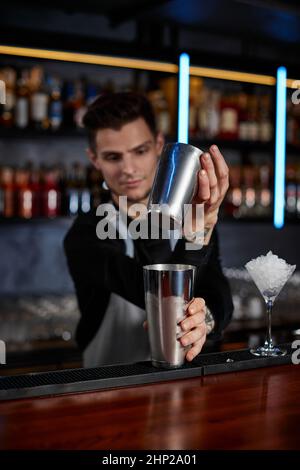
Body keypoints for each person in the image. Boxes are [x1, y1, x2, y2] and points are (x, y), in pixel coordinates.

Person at [64, 92, 233, 367]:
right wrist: (197, 232)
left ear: (158, 145)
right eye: (112, 157)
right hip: (107, 390)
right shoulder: (88, 231)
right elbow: (155, 294)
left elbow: (218, 292)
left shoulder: (192, 215)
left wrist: (205, 320)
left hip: (182, 384)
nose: (128, 169)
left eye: (139, 151)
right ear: (94, 159)